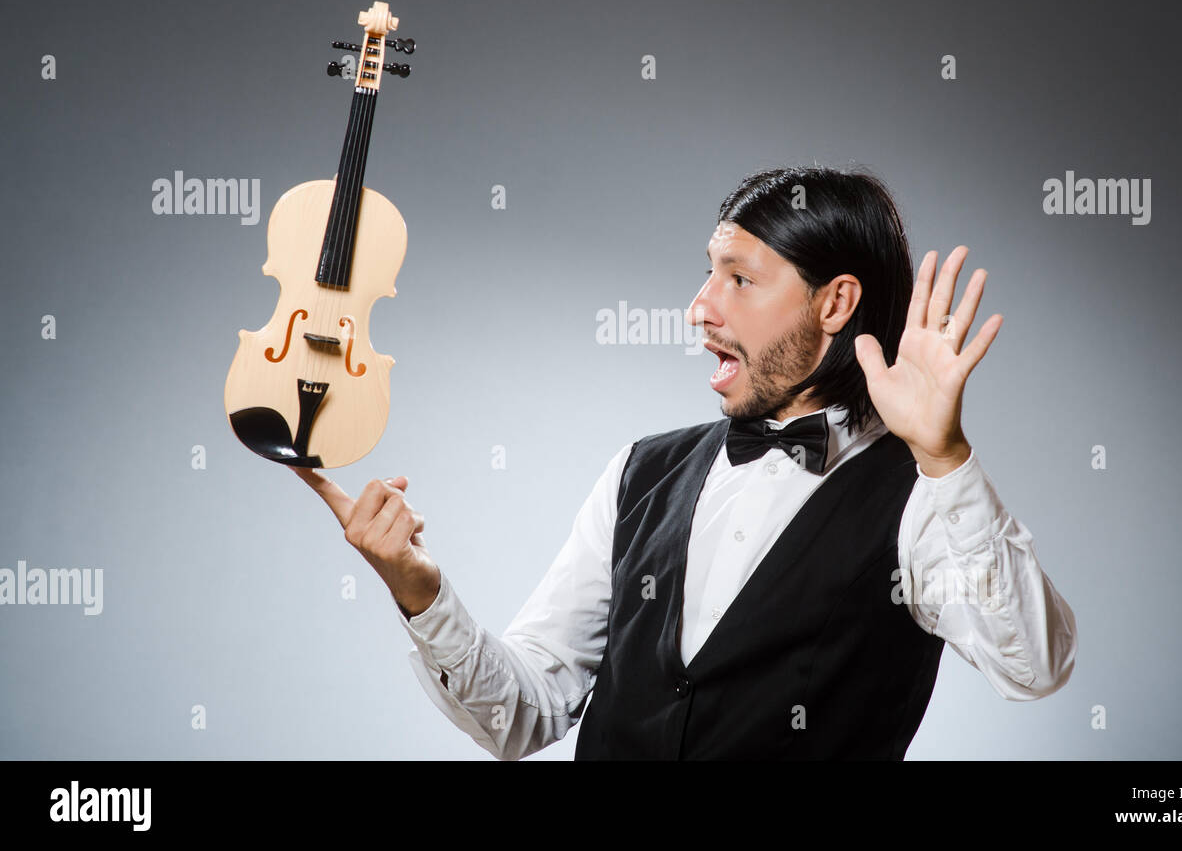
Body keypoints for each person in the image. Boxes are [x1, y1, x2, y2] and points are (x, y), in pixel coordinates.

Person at [293, 166, 1078, 760]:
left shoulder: (918, 495)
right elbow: (524, 713)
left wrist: (943, 457)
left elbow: (1034, 663)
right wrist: (419, 592)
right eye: (708, 270)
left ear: (834, 305)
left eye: (739, 278)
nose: (701, 306)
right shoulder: (641, 473)